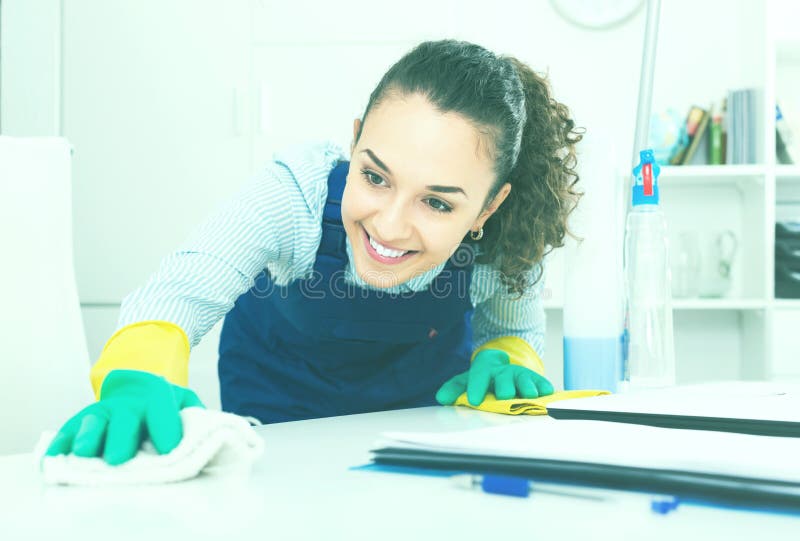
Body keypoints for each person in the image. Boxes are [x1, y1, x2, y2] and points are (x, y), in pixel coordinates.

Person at [46, 39, 583, 465]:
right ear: (354, 143)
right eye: (374, 176)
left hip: (421, 414)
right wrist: (140, 371)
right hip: (277, 401)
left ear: (489, 208)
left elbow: (512, 329)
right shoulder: (296, 197)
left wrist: (508, 356)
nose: (389, 226)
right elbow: (184, 286)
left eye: (437, 204)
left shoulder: (508, 241)